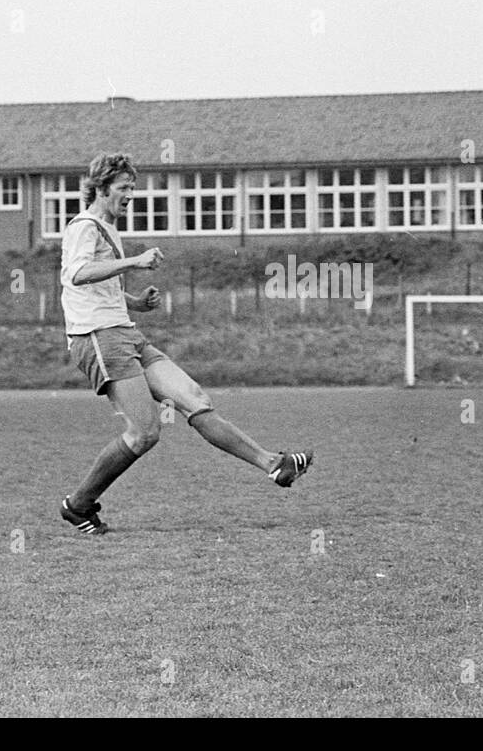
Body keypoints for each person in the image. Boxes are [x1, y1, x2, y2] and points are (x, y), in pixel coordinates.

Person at [57, 152, 313, 536]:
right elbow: (76, 274)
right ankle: (78, 506)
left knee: (194, 399)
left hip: (125, 332)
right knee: (144, 433)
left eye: (133, 188)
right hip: (99, 338)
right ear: (101, 188)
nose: (130, 195)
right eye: (124, 188)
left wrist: (135, 303)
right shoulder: (84, 227)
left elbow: (97, 285)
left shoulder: (107, 228)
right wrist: (134, 263)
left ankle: (275, 465)